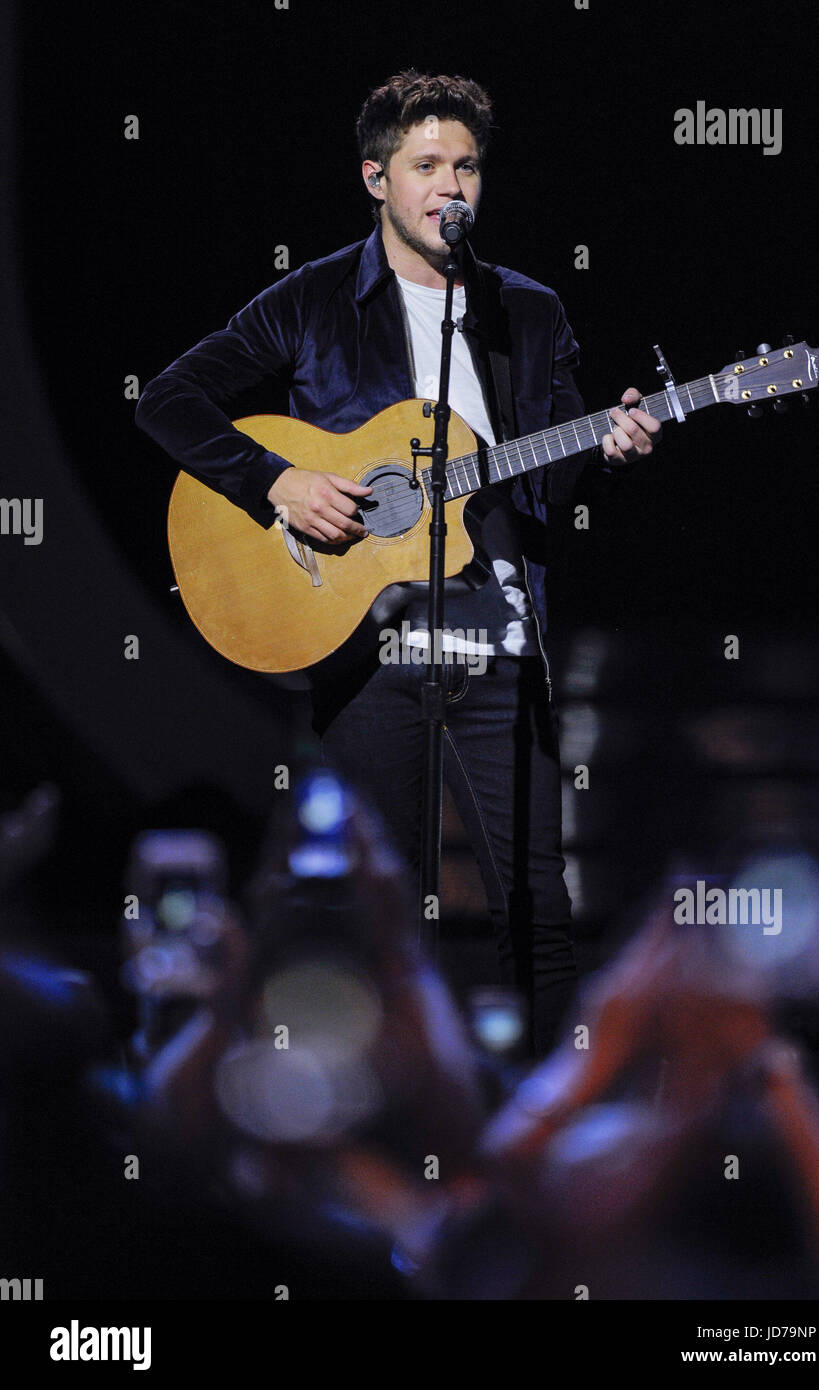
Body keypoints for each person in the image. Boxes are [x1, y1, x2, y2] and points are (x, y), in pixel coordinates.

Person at [135, 70, 662, 1056]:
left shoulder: (527, 312)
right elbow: (166, 400)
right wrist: (276, 483)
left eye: (464, 166)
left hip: (496, 632)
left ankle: (536, 1141)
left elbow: (543, 488)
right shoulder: (314, 300)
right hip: (364, 642)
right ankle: (382, 1129)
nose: (448, 187)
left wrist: (605, 444)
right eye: (425, 166)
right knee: (375, 911)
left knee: (536, 909)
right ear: (376, 178)